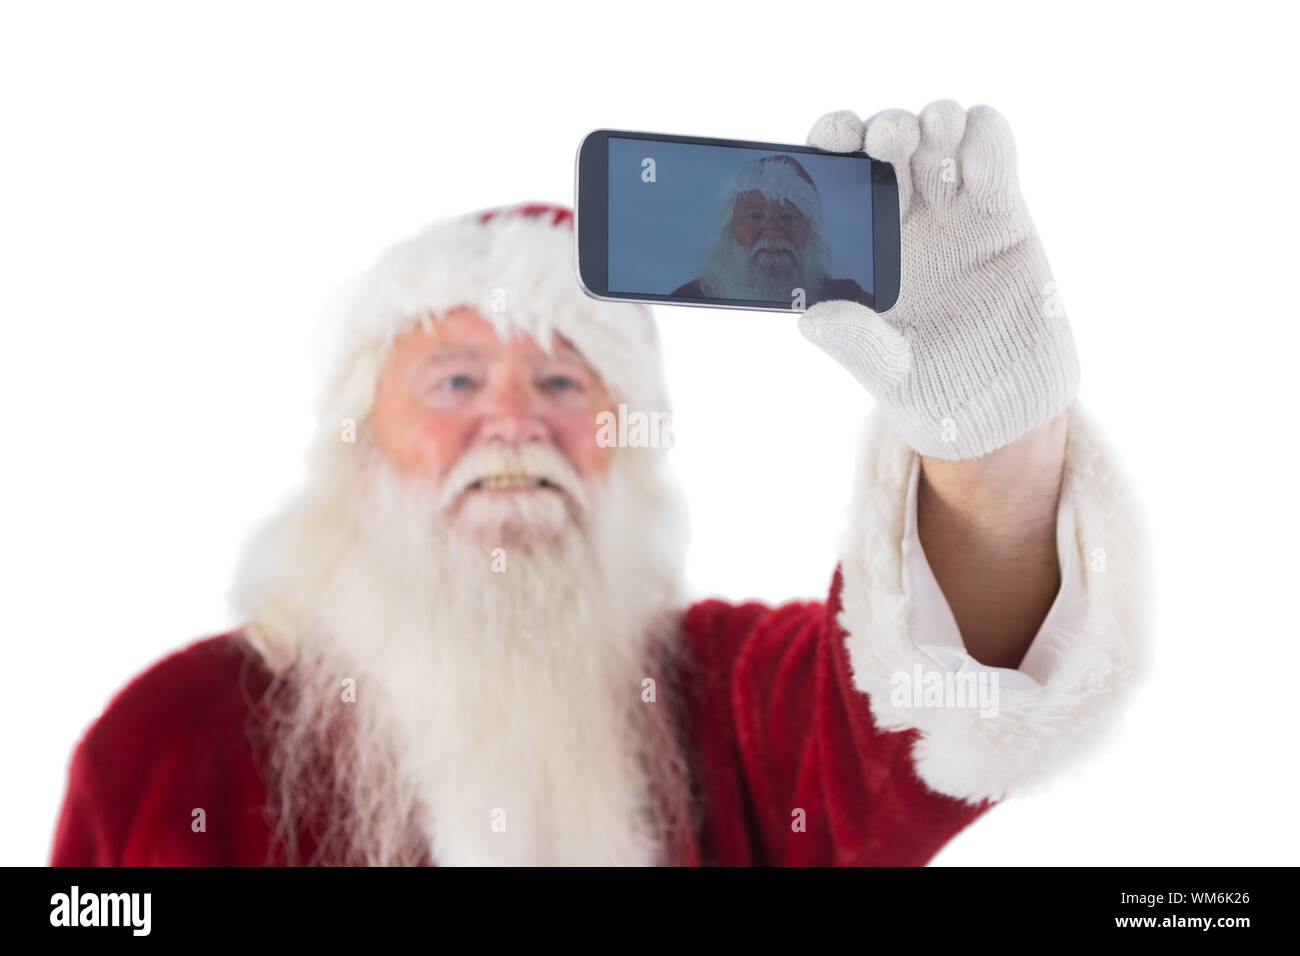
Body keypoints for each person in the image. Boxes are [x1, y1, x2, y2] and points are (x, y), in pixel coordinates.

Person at [50, 101, 1150, 866]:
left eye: (565, 377)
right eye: (456, 376)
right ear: (360, 436)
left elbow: (902, 715)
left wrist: (989, 435)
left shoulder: (716, 702)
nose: (515, 419)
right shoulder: (165, 744)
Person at [671, 153, 871, 306]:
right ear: (729, 231)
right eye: (755, 216)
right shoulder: (687, 300)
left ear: (810, 234)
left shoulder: (846, 301)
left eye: (788, 217)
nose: (773, 232)